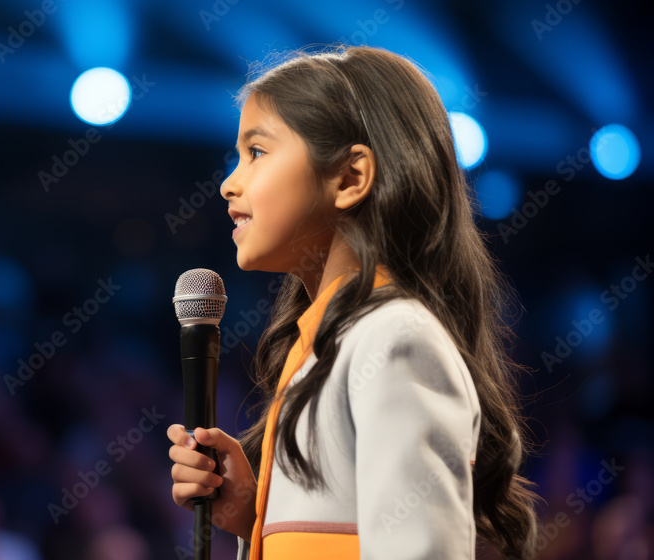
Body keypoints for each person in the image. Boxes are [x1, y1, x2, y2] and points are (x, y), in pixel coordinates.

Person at [165, 45, 541, 559]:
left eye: (256, 152)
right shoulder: (325, 346)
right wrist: (254, 516)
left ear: (350, 178)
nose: (229, 184)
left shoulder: (394, 338)